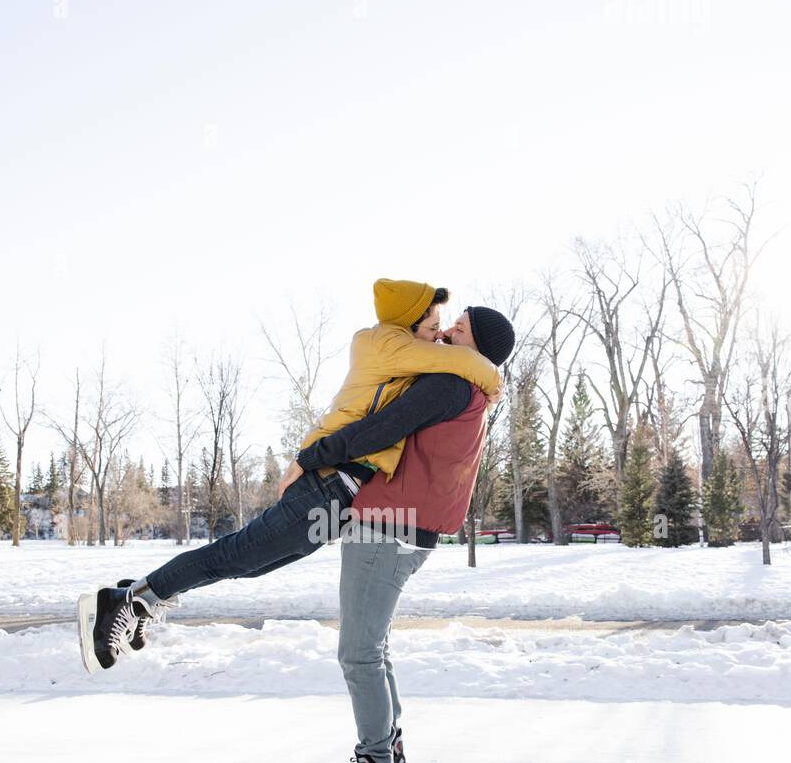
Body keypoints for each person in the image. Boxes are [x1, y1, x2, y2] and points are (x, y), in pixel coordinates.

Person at [76, 280, 502, 673]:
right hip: (329, 483)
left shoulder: (412, 361)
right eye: (434, 326)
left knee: (249, 563)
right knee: (236, 554)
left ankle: (143, 596)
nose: (441, 335)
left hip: (340, 493)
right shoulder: (390, 345)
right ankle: (130, 600)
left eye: (450, 328)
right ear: (409, 325)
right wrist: (309, 458)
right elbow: (420, 395)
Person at [303, 305, 516, 763]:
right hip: (402, 525)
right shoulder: (465, 386)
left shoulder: (449, 383)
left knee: (357, 652)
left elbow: (385, 426)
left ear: (477, 348)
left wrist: (320, 452)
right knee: (373, 647)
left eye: (459, 328)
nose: (445, 331)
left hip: (389, 525)